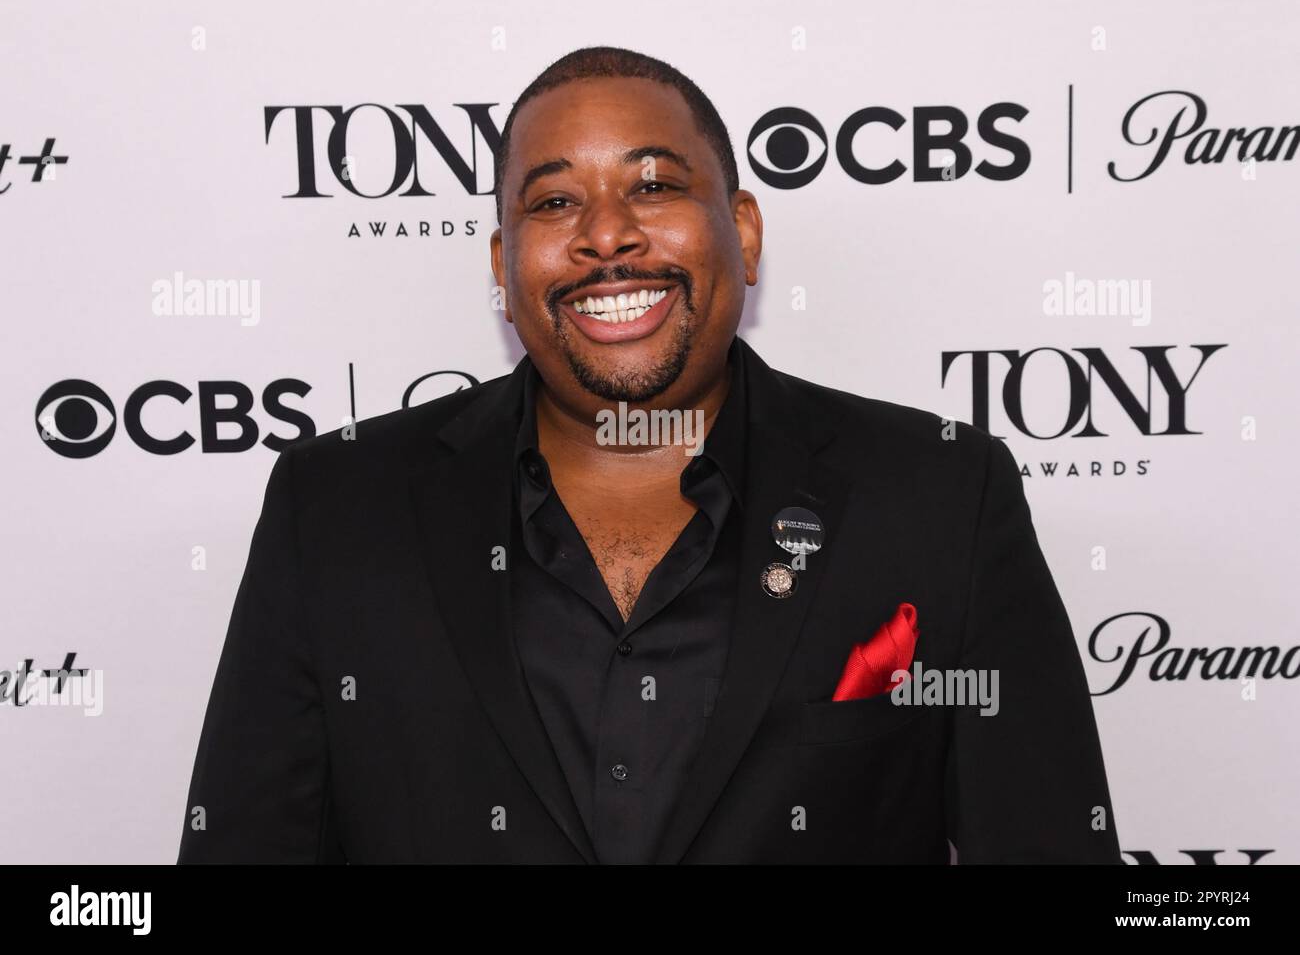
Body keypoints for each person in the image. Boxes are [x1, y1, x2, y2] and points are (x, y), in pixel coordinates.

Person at [178, 46, 1120, 864]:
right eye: (555, 201)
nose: (606, 235)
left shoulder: (939, 495)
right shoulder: (338, 506)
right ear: (503, 268)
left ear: (744, 233)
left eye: (656, 186)